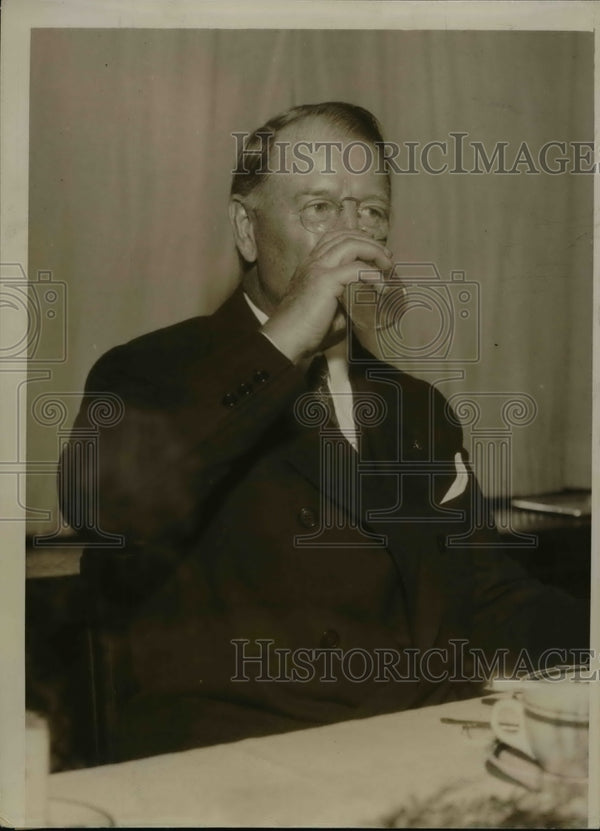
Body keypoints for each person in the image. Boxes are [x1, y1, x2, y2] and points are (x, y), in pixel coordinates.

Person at [60, 102, 588, 761]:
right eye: (319, 208)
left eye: (371, 212)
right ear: (246, 230)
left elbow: (484, 591)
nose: (351, 237)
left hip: (419, 745)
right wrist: (284, 345)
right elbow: (108, 506)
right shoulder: (150, 371)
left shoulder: (417, 407)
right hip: (243, 768)